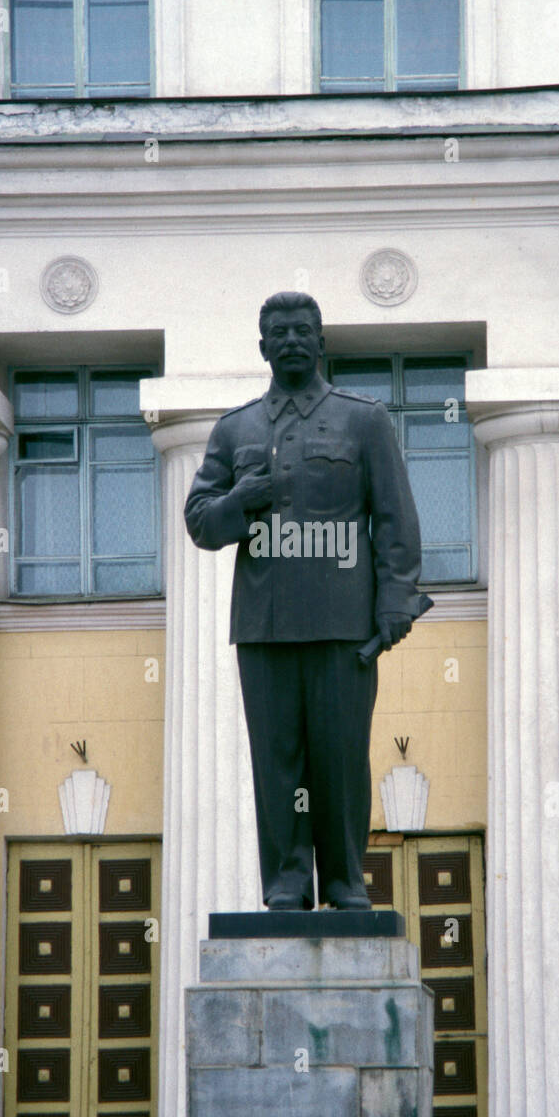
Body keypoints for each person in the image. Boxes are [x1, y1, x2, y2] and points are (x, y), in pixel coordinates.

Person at [184, 292, 426, 910]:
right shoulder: (233, 428)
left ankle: (344, 878)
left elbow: (395, 517)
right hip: (264, 626)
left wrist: (395, 599)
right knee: (277, 763)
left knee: (340, 761)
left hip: (343, 625)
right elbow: (201, 523)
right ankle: (287, 882)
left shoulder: (363, 419)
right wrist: (241, 499)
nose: (290, 340)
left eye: (302, 330)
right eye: (278, 332)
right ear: (262, 346)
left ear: (321, 342)